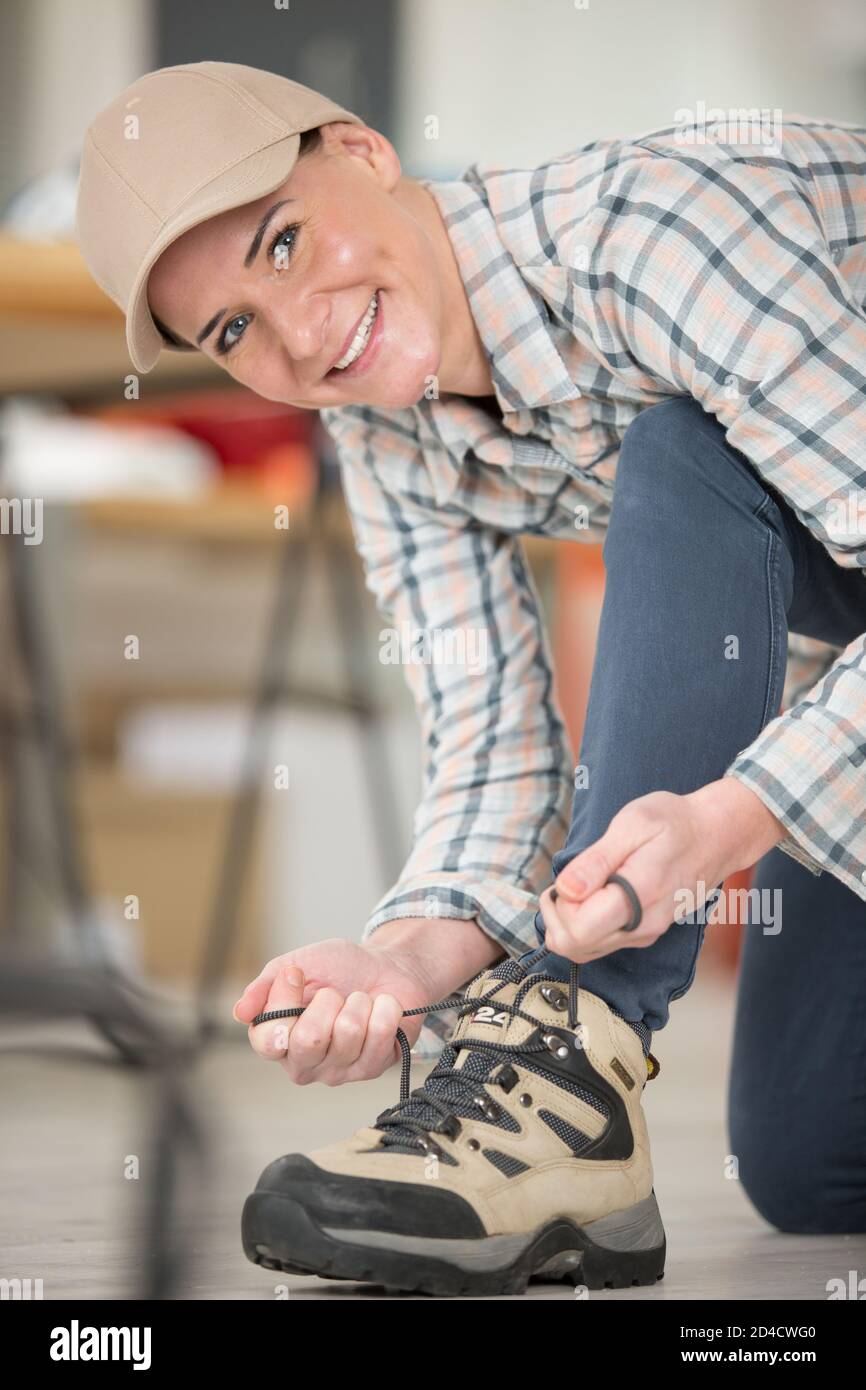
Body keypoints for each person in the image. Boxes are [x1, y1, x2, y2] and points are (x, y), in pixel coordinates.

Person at [76, 61, 866, 1296]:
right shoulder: (379, 426)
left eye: (282, 243)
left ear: (363, 149)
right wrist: (404, 960)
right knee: (810, 1163)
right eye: (232, 329)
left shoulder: (649, 239)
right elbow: (491, 731)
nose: (298, 337)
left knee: (677, 447)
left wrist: (724, 819)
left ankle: (570, 1075)